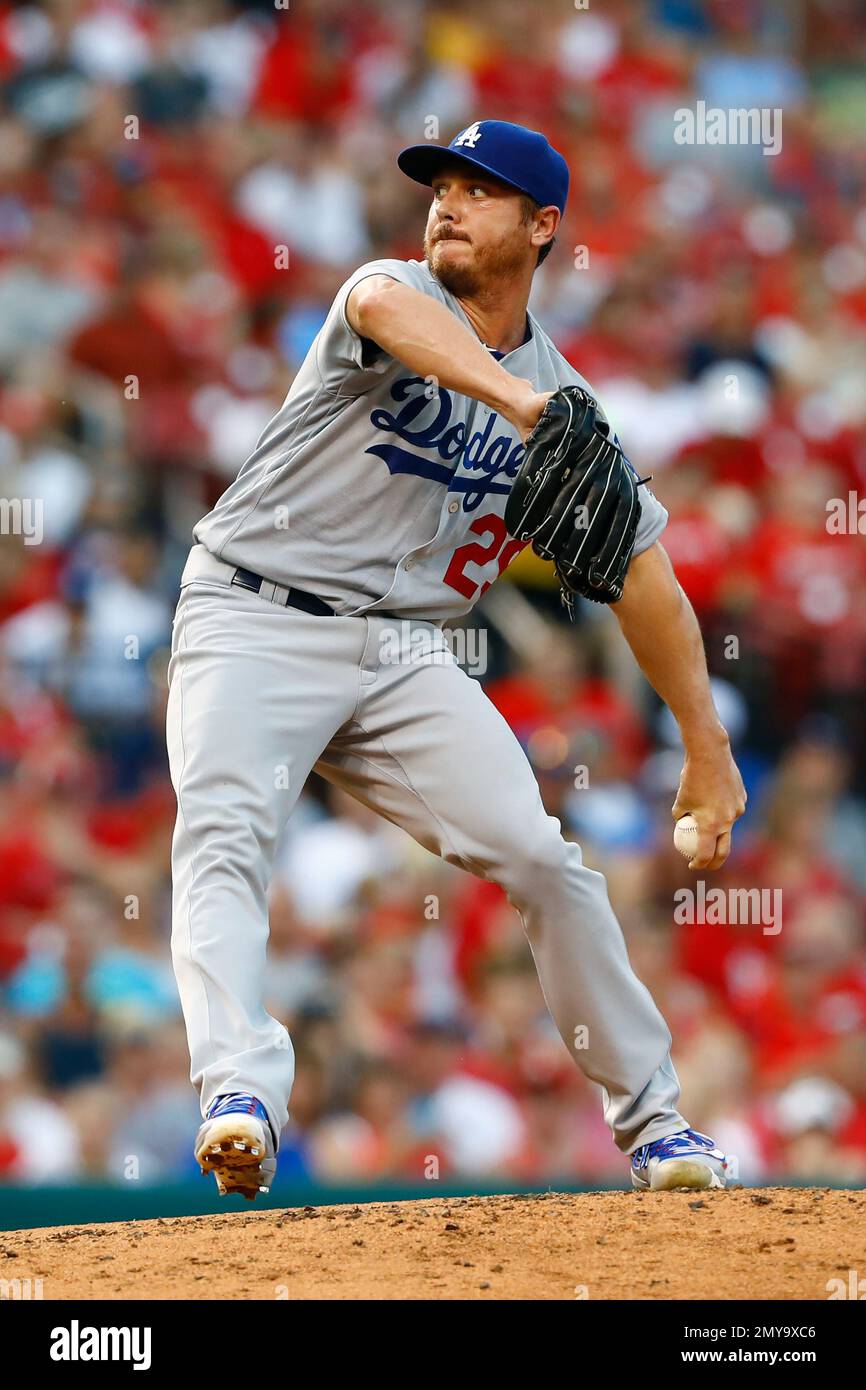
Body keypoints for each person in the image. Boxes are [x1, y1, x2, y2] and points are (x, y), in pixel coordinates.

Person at [166, 120, 746, 1200]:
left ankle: (658, 1128)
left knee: (543, 861)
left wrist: (704, 749)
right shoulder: (398, 295)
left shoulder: (568, 400)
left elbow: (647, 579)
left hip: (401, 652)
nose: (447, 201)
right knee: (225, 835)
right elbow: (380, 308)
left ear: (542, 226)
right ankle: (237, 1092)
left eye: (480, 190)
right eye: (441, 183)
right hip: (255, 613)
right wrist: (524, 406)